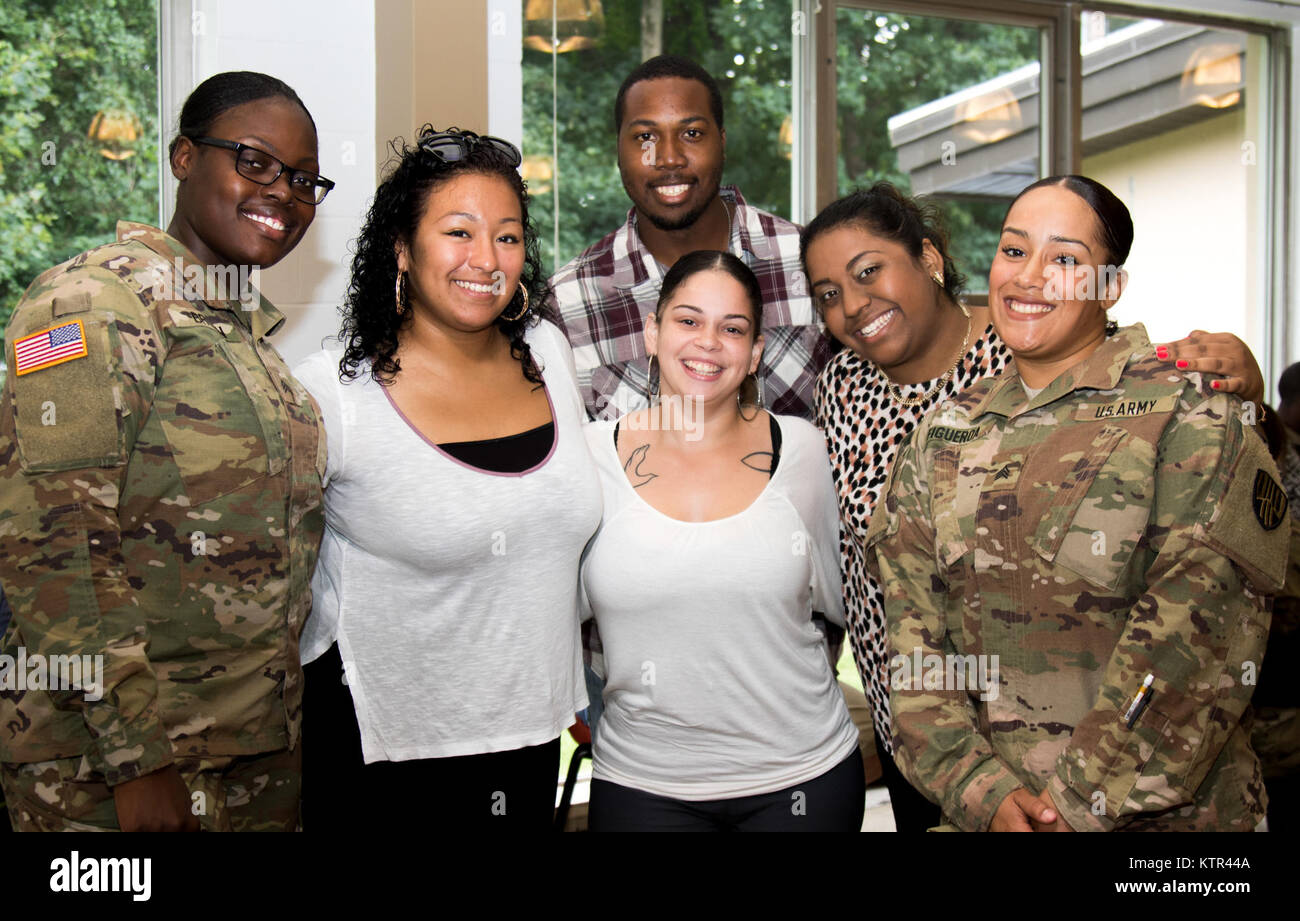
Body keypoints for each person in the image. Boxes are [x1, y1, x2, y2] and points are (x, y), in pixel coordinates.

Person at [801, 182, 1270, 832]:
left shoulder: (1189, 417)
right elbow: (910, 638)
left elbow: (1195, 647)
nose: (1029, 276)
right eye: (1014, 249)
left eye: (1065, 259)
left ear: (1109, 287)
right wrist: (979, 788)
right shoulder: (942, 434)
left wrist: (1069, 810)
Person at [0, 71, 330, 831]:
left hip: (245, 760)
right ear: (185, 156)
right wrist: (136, 761)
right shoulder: (90, 304)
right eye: (254, 161)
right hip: (107, 775)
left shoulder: (245, 340)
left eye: (306, 179)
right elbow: (55, 548)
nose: (283, 192)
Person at [293, 127, 601, 831]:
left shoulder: (549, 353)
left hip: (528, 740)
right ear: (402, 248)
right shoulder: (334, 395)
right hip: (383, 756)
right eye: (458, 231)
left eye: (507, 236)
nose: (485, 259)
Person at [581, 250, 863, 832]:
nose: (708, 342)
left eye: (731, 328)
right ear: (652, 333)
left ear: (755, 352)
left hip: (802, 779)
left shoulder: (804, 451)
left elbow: (842, 602)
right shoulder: (588, 460)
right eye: (687, 321)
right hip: (643, 784)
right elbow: (547, 611)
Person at [548, 54, 831, 423]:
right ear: (618, 149)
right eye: (645, 137)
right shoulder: (569, 302)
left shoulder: (810, 263)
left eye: (692, 134)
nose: (669, 158)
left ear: (723, 141)